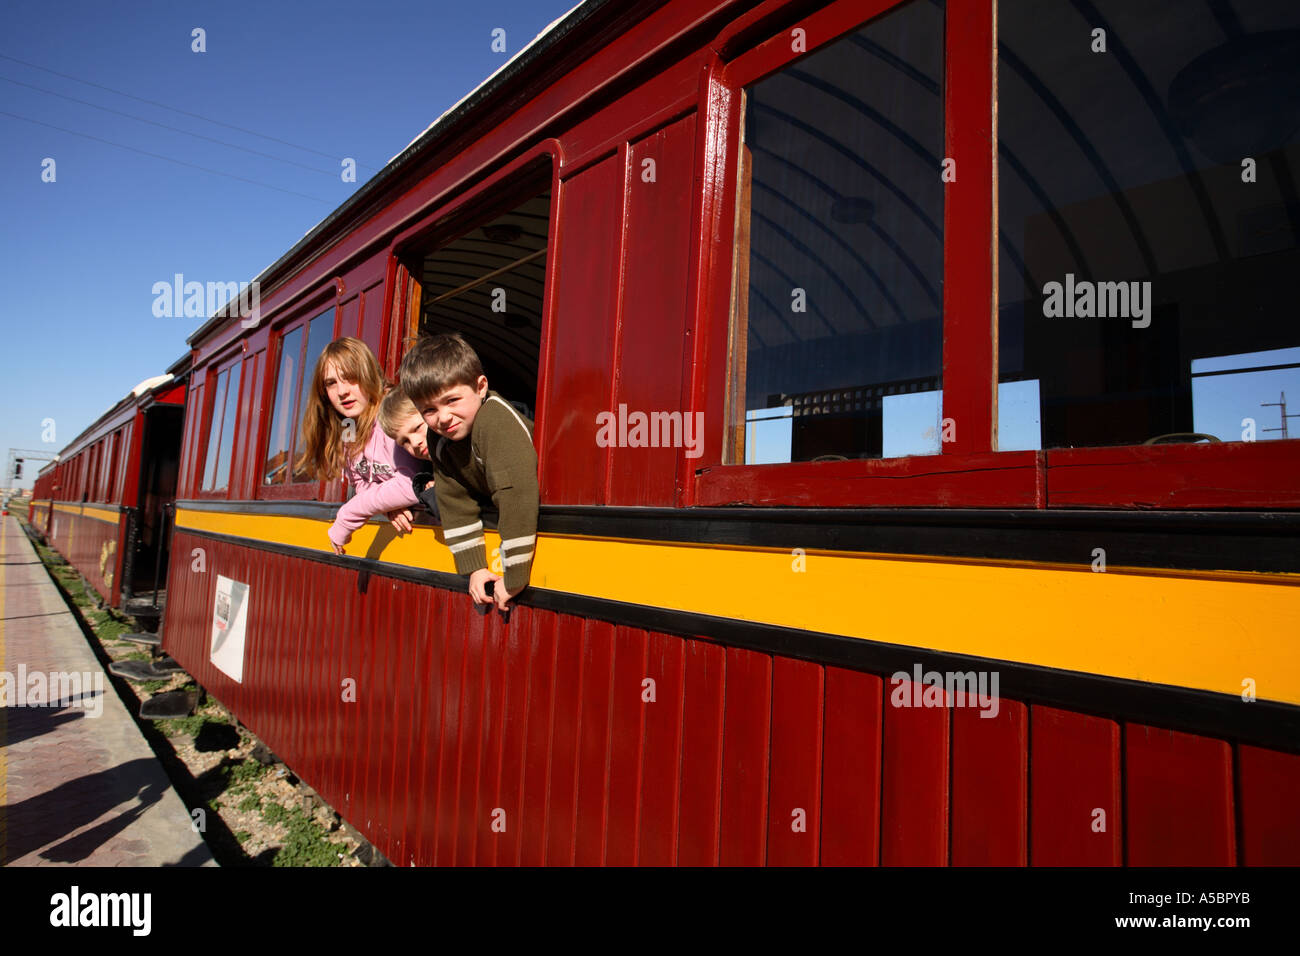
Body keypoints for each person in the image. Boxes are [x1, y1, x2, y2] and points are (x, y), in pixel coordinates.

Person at [399, 332, 538, 612]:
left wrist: (514, 577)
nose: (443, 417)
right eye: (429, 410)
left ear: (480, 386)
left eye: (452, 400)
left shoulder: (496, 421)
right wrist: (474, 568)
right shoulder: (438, 441)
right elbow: (454, 502)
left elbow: (515, 495)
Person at [294, 337, 422, 554]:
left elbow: (410, 486)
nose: (342, 391)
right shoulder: (348, 427)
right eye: (331, 383)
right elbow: (360, 480)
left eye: (350, 378)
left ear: (368, 374)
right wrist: (388, 506)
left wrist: (347, 516)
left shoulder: (391, 416)